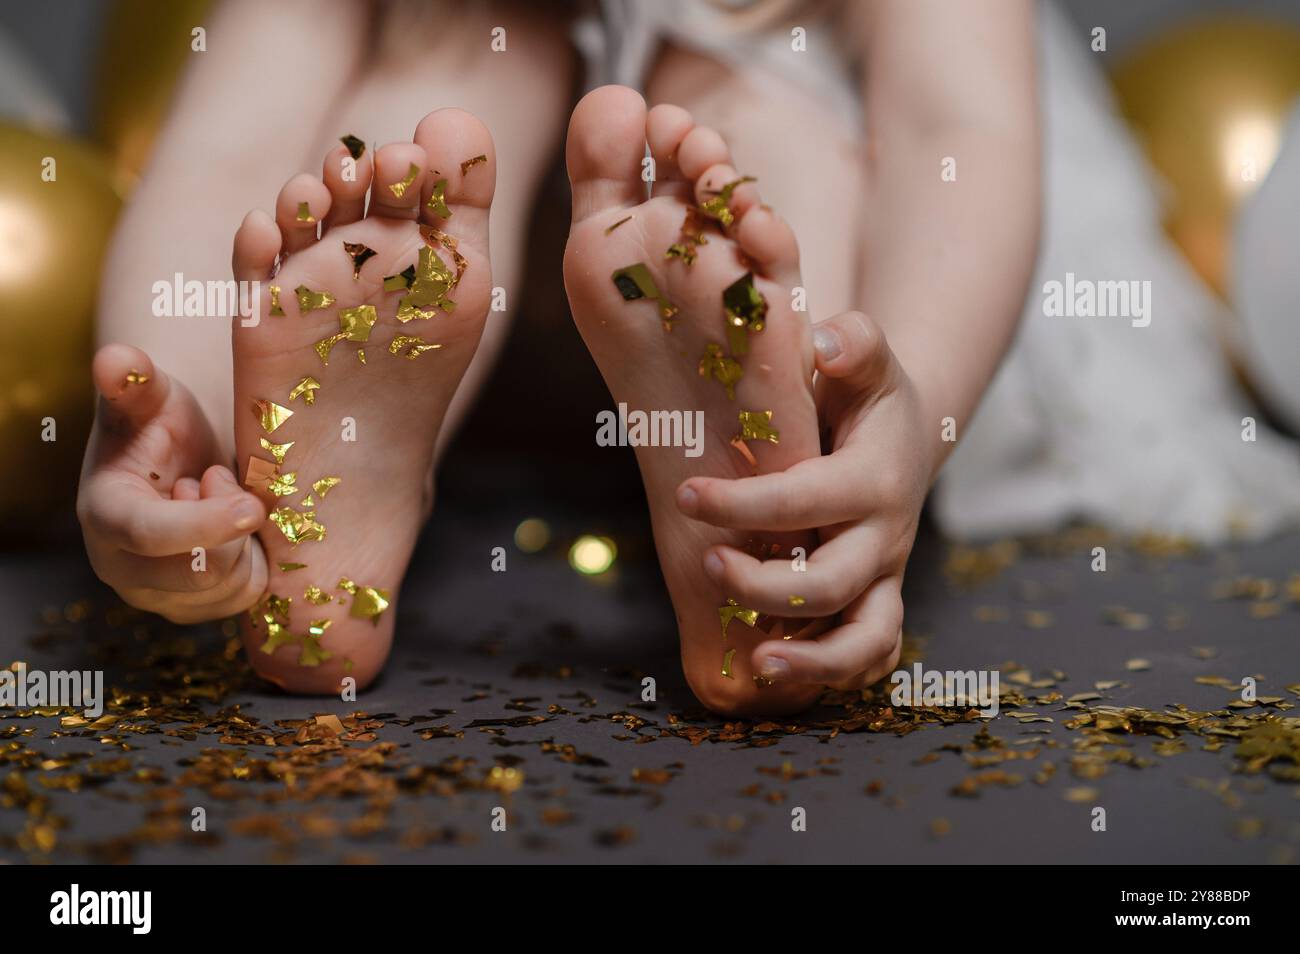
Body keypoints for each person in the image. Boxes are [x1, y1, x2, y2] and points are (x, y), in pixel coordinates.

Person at [75, 0, 1040, 715]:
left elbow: (957, 135)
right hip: (515, 316)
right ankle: (307, 474)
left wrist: (910, 405)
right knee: (448, 86)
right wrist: (181, 413)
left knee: (760, 127)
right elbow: (227, 151)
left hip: (671, 255)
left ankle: (813, 483)